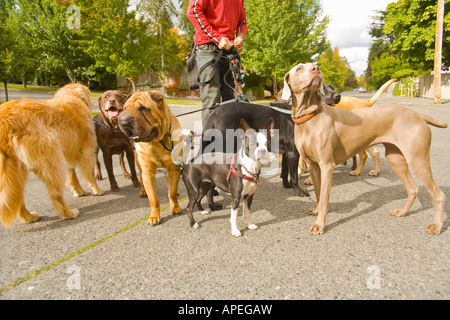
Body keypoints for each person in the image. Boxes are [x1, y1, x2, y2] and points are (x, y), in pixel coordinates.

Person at [187, 0, 247, 125]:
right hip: (208, 49)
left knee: (232, 104)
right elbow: (193, 11)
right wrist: (217, 37)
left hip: (229, 51)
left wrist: (240, 37)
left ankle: (230, 143)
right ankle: (209, 143)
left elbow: (242, 18)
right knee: (211, 103)